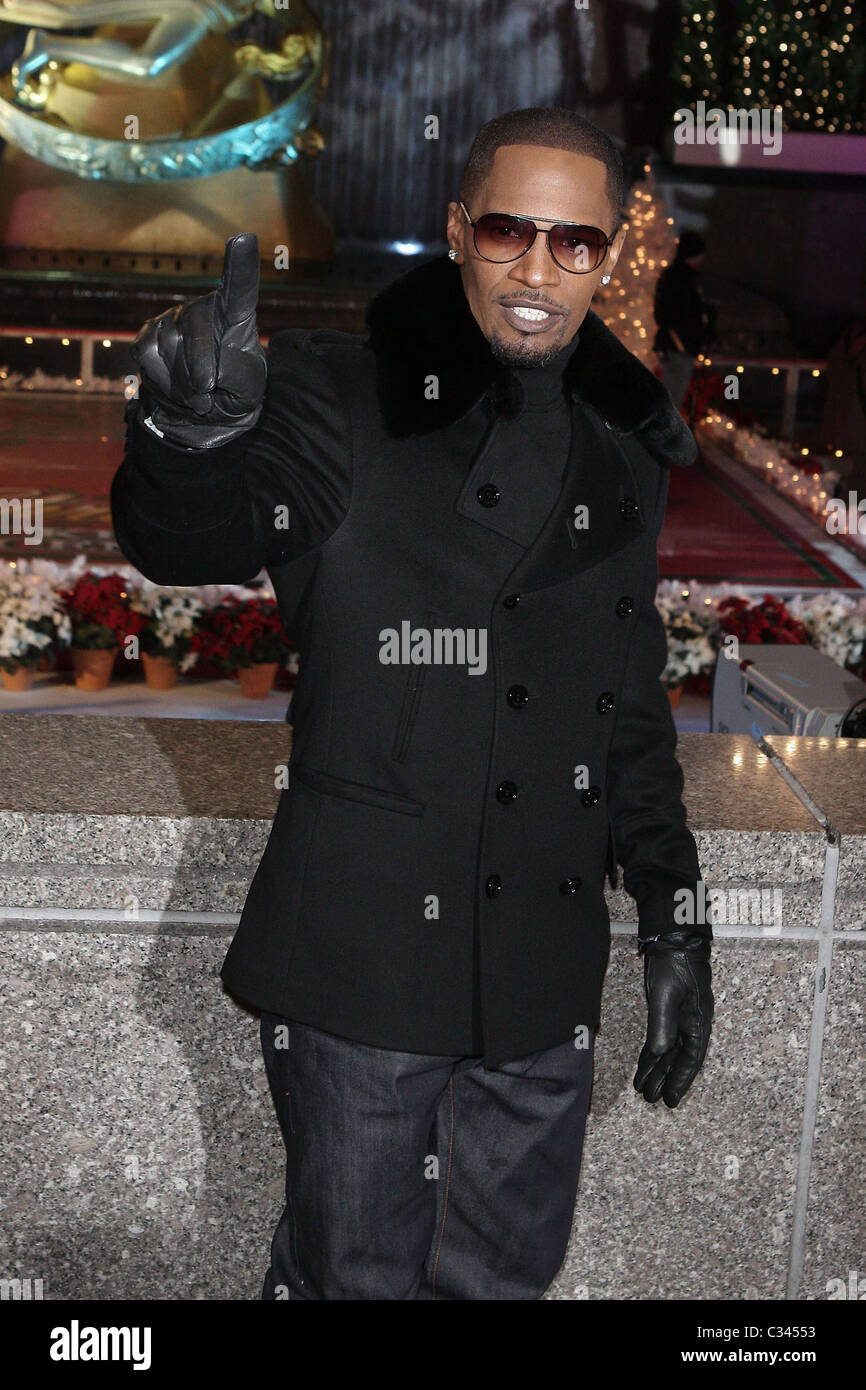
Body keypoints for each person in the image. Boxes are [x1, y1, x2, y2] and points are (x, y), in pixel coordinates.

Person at [111, 105, 714, 1301]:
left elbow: (626, 707)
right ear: (455, 233)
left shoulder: (626, 447)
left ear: (610, 255)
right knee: (351, 1282)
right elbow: (182, 541)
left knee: (501, 1284)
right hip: (361, 968)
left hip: (543, 984)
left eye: (574, 242)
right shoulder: (340, 391)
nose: (537, 271)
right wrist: (190, 435)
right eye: (506, 230)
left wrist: (672, 910)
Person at [652, 229, 711, 412]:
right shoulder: (684, 279)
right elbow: (681, 313)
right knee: (674, 395)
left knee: (672, 394)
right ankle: (666, 437)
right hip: (679, 345)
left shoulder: (673, 275)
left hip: (673, 344)